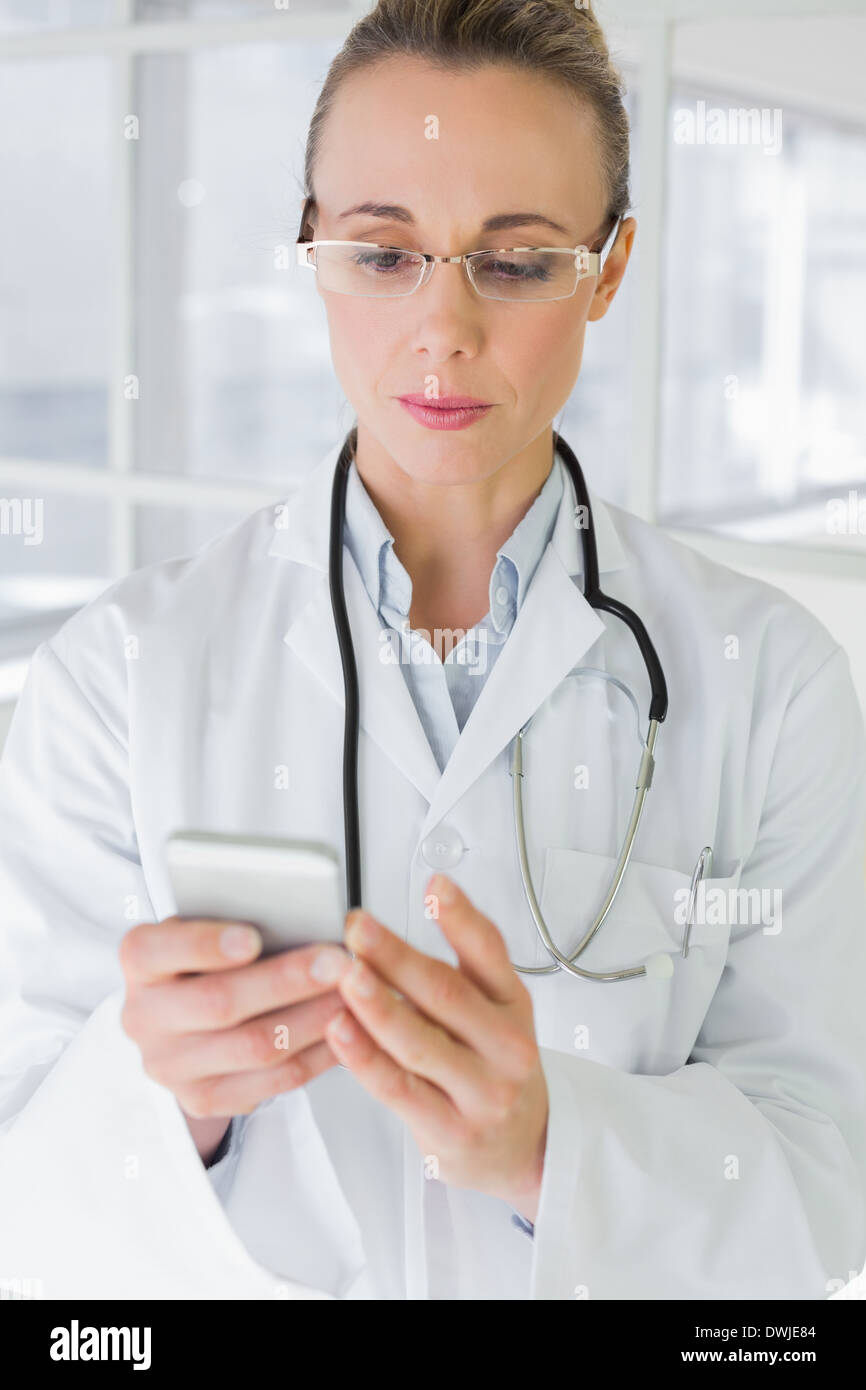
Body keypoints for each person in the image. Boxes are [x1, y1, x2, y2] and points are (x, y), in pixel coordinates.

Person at [1, 0, 865, 1301]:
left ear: (610, 266)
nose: (442, 329)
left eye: (516, 262)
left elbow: (826, 1176)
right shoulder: (117, 677)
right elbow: (24, 1201)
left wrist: (553, 1151)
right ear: (312, 246)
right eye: (380, 252)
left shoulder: (773, 686)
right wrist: (169, 1105)